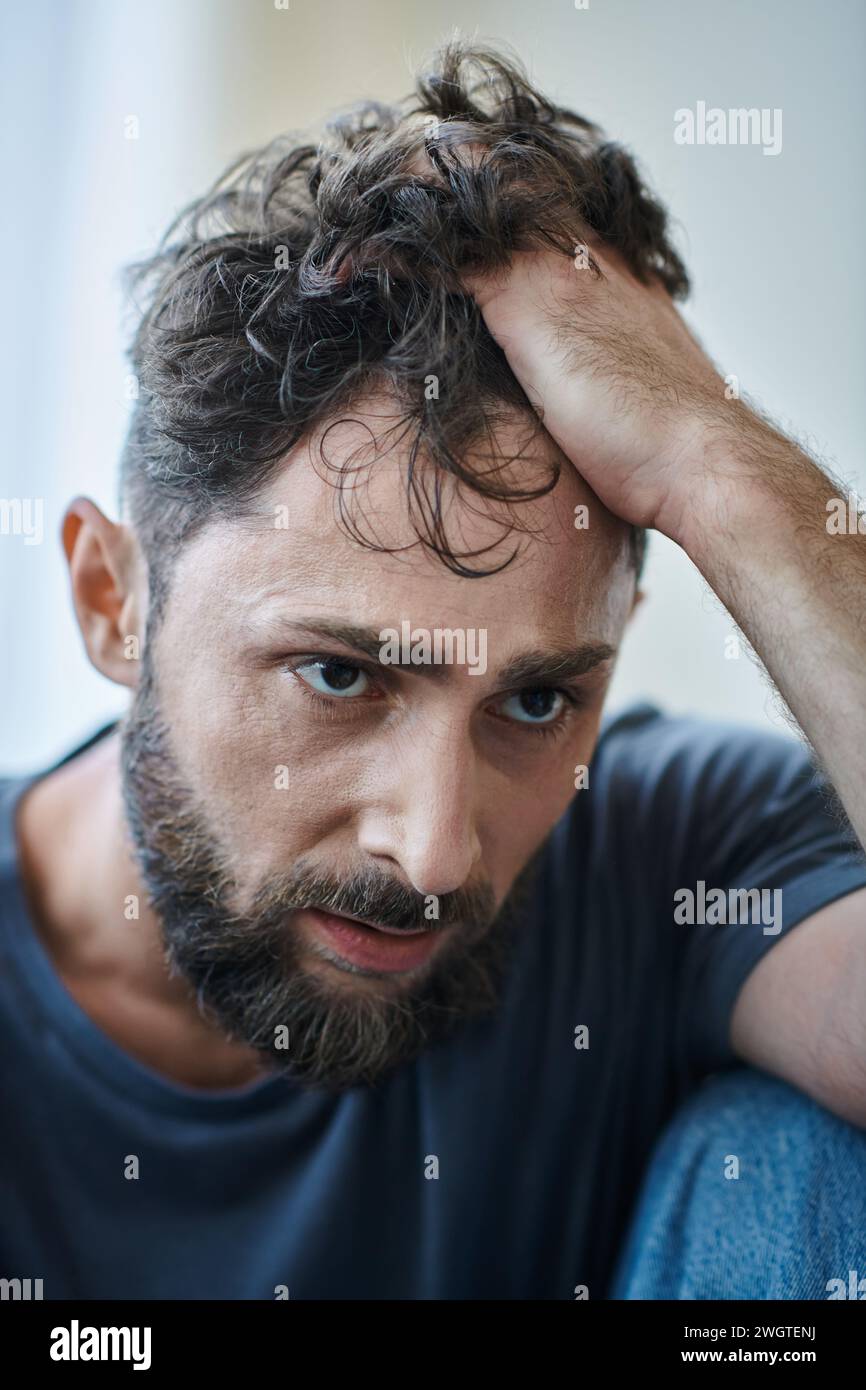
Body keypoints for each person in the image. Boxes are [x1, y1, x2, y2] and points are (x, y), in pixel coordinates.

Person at [2, 41, 865, 1301]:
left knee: (795, 1159)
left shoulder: (676, 856)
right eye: (341, 678)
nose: (436, 853)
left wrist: (724, 476)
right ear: (111, 599)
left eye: (533, 700)